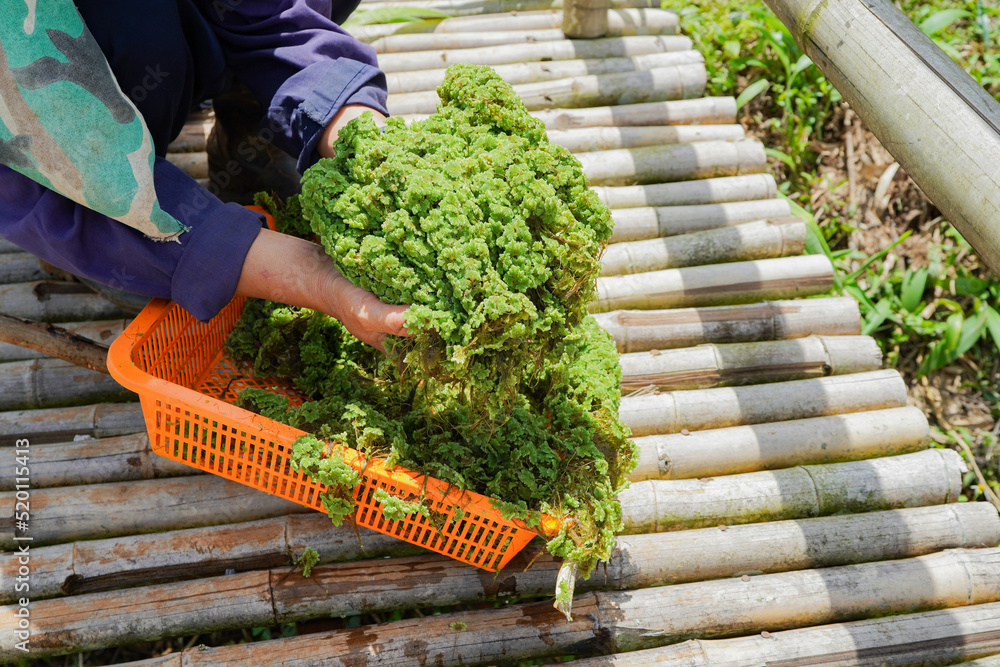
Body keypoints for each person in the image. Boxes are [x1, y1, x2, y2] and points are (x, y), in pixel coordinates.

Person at [0, 0, 409, 353]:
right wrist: (318, 279)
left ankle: (256, 124)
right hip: (50, 86)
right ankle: (118, 237)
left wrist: (360, 137)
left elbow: (274, 16)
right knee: (137, 34)